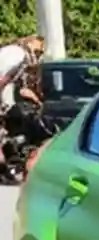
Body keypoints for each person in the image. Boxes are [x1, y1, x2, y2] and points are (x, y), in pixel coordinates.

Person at [0, 35, 44, 180]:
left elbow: (17, 86)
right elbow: (4, 79)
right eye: (38, 50)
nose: (38, 53)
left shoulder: (14, 52)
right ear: (30, 43)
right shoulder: (18, 55)